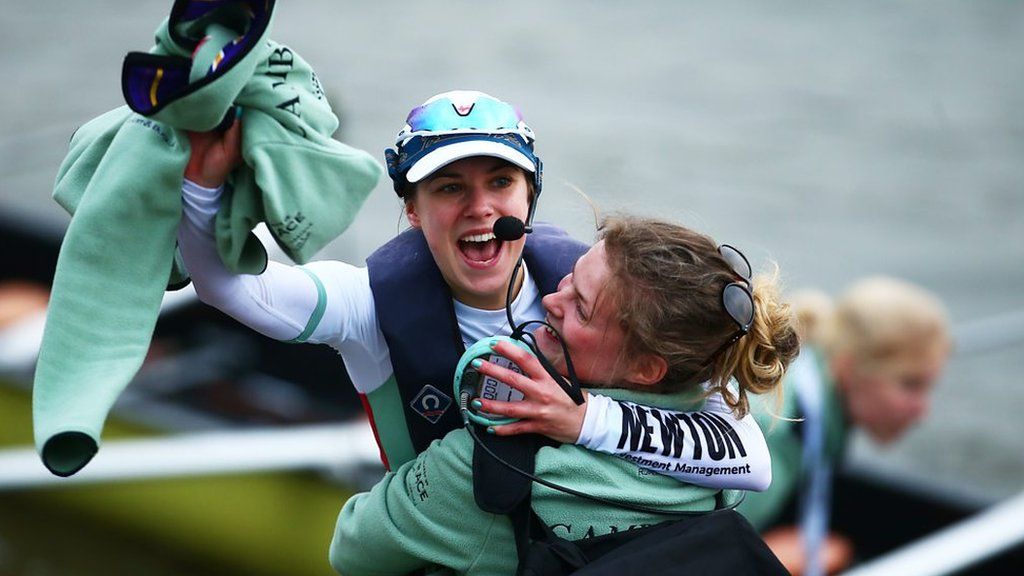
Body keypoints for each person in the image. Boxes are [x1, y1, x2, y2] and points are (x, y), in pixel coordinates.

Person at [179, 89, 770, 487]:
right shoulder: (366, 306)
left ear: (528, 198)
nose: (480, 208)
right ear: (412, 210)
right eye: (448, 188)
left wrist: (580, 418)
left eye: (500, 181)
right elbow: (228, 289)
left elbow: (748, 458)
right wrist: (202, 181)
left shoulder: (601, 286)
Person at [328, 215, 801, 576]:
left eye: (581, 307)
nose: (551, 301)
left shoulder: (489, 469)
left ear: (645, 369)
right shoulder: (722, 472)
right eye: (570, 278)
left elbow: (353, 547)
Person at [737, 277, 952, 576]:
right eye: (910, 384)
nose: (922, 412)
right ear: (849, 368)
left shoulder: (808, 393)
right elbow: (688, 556)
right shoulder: (778, 434)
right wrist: (768, 556)